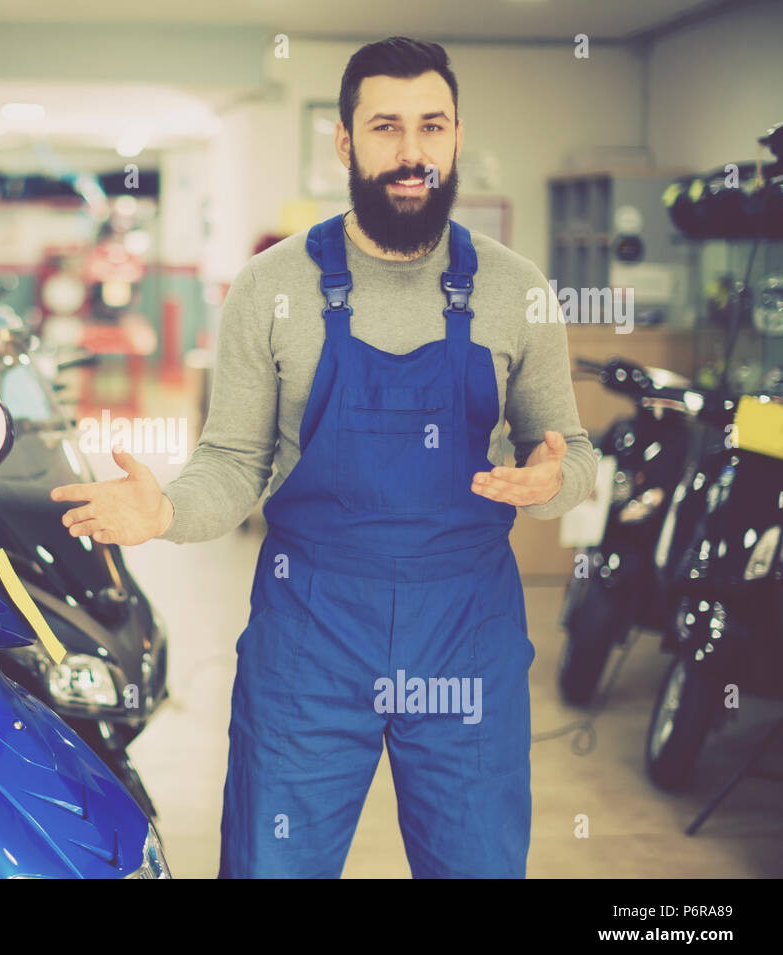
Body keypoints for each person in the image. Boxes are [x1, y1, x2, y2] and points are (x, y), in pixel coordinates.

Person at [50, 36, 597, 878]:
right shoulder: (272, 288)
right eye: (386, 127)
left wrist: (556, 479)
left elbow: (571, 449)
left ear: (456, 136)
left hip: (466, 632)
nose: (412, 152)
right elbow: (234, 460)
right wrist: (167, 512)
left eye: (432, 126)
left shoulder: (516, 288)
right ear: (344, 143)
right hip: (310, 631)